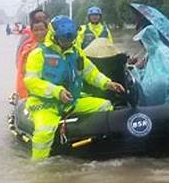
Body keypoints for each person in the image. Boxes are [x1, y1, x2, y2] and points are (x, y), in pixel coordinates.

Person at [24, 15, 125, 161]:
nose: (67, 43)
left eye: (70, 40)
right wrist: (56, 92)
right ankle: (38, 166)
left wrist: (107, 83)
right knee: (44, 132)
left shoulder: (76, 52)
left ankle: (97, 149)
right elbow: (31, 82)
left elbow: (90, 72)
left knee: (105, 105)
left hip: (71, 101)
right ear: (54, 36)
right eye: (64, 40)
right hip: (45, 104)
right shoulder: (38, 54)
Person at [16, 19, 48, 99]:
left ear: (47, 30)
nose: (39, 33)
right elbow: (23, 73)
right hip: (33, 92)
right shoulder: (27, 50)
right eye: (36, 30)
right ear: (32, 32)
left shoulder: (56, 46)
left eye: (41, 29)